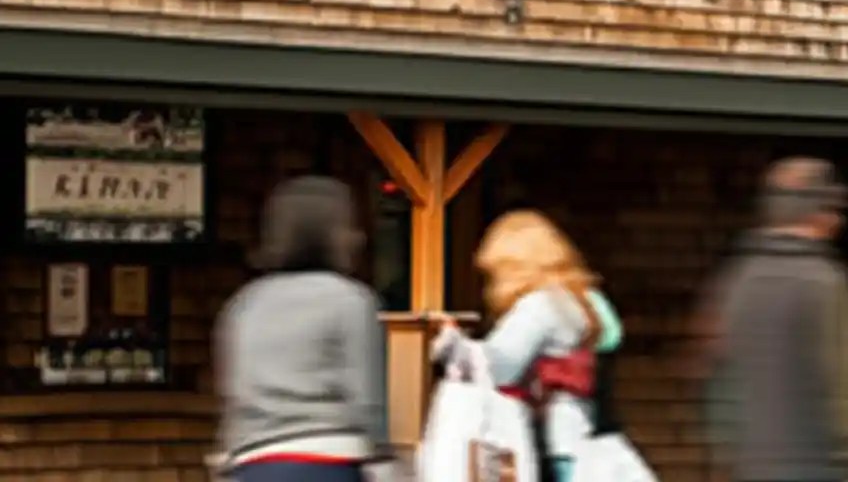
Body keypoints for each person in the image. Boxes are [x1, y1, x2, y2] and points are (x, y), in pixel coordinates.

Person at [701, 157, 848, 482]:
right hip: (819, 467)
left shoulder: (738, 279)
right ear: (822, 214)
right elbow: (844, 392)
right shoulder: (825, 282)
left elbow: (719, 384)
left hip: (752, 467)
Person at [215, 177, 396, 482]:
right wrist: (385, 459)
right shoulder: (352, 300)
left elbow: (234, 393)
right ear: (330, 235)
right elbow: (366, 398)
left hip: (255, 461)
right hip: (330, 459)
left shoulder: (245, 304)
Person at [431, 210, 624, 482]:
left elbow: (499, 368)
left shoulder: (540, 306)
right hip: (584, 434)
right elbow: (612, 339)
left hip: (550, 440)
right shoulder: (585, 300)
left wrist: (452, 340)